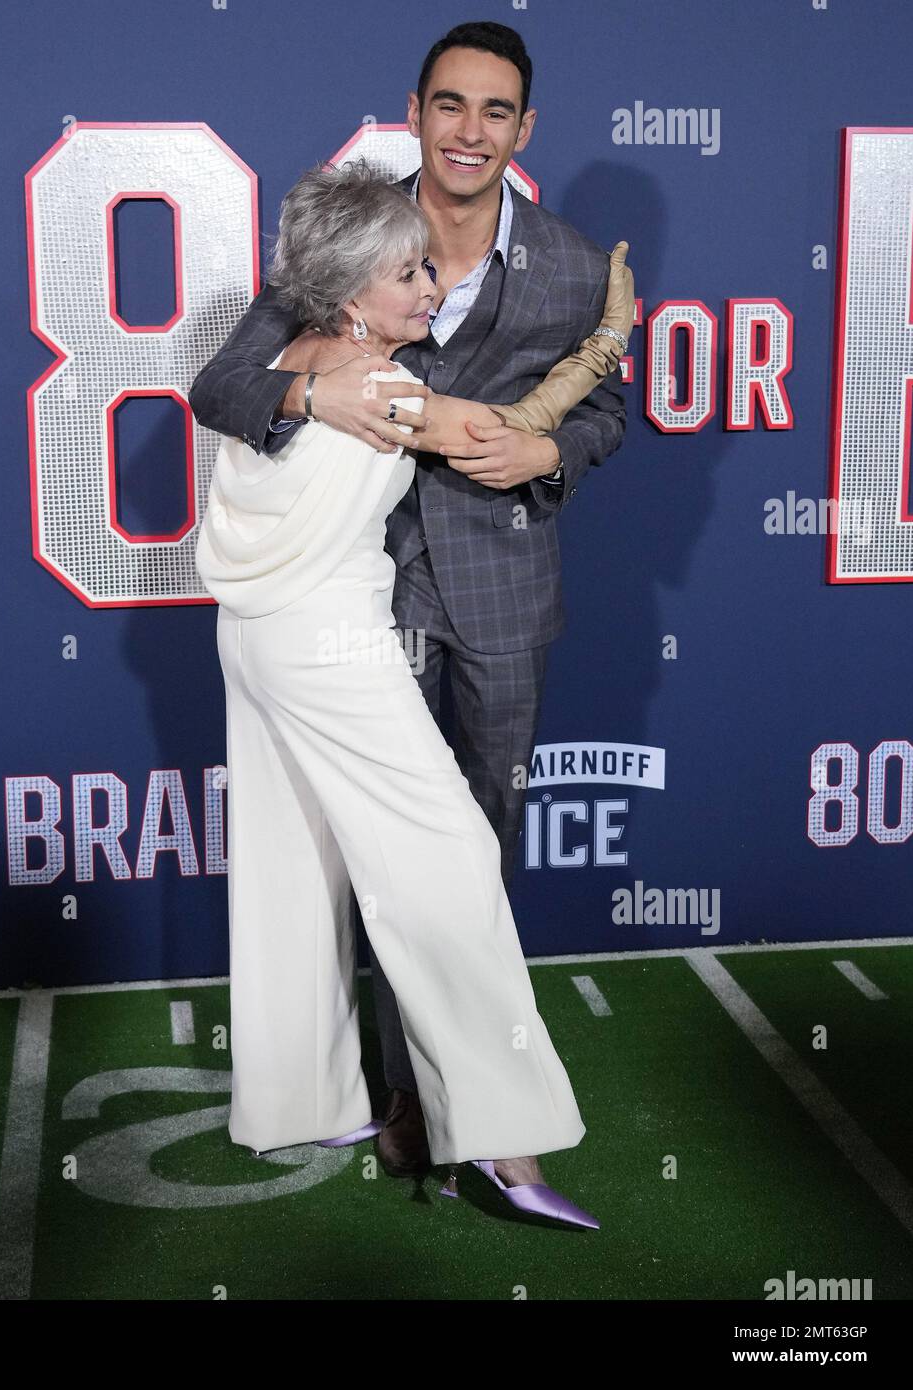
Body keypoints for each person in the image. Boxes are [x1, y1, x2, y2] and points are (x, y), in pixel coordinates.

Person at [188, 21, 628, 1183]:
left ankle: (452, 1094)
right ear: (416, 113)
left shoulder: (575, 264)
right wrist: (312, 390)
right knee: (377, 850)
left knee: (461, 847)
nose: (470, 131)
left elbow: (600, 414)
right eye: (449, 106)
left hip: (496, 586)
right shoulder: (354, 238)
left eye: (495, 112)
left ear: (522, 130)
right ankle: (409, 1103)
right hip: (354, 591)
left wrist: (548, 458)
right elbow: (224, 381)